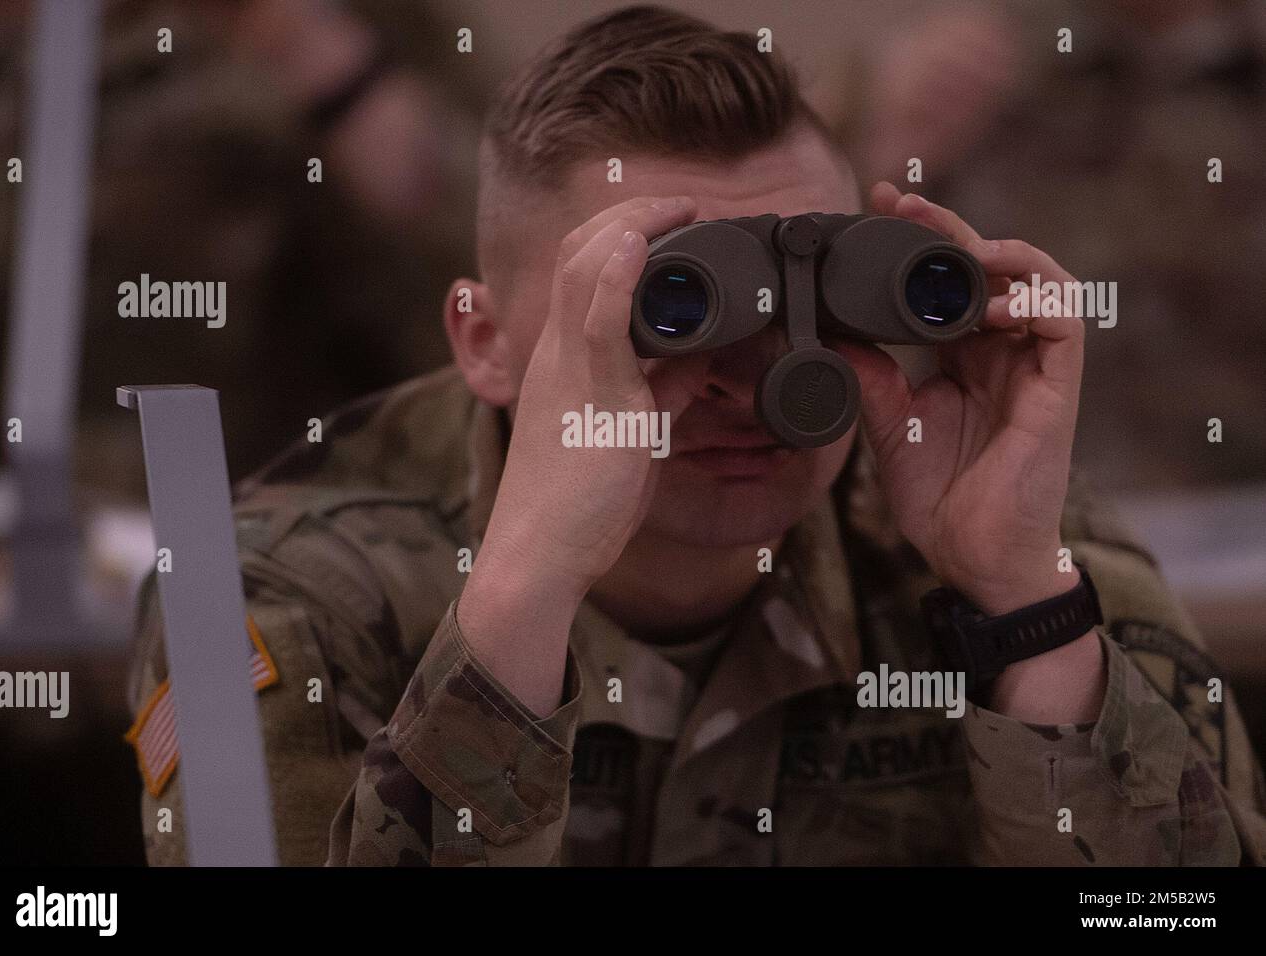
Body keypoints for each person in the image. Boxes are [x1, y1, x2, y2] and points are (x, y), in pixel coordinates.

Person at [126, 5, 1266, 866]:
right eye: (666, 310)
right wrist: (527, 583)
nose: (750, 378)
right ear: (485, 344)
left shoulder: (1022, 548)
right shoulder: (269, 589)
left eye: (798, 298)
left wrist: (1028, 613)